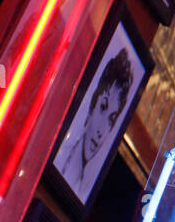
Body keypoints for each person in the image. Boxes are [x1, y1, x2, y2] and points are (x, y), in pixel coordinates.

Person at [56, 47, 134, 200]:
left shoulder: (81, 192)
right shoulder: (59, 156)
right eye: (103, 107)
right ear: (93, 105)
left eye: (111, 119)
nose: (101, 131)